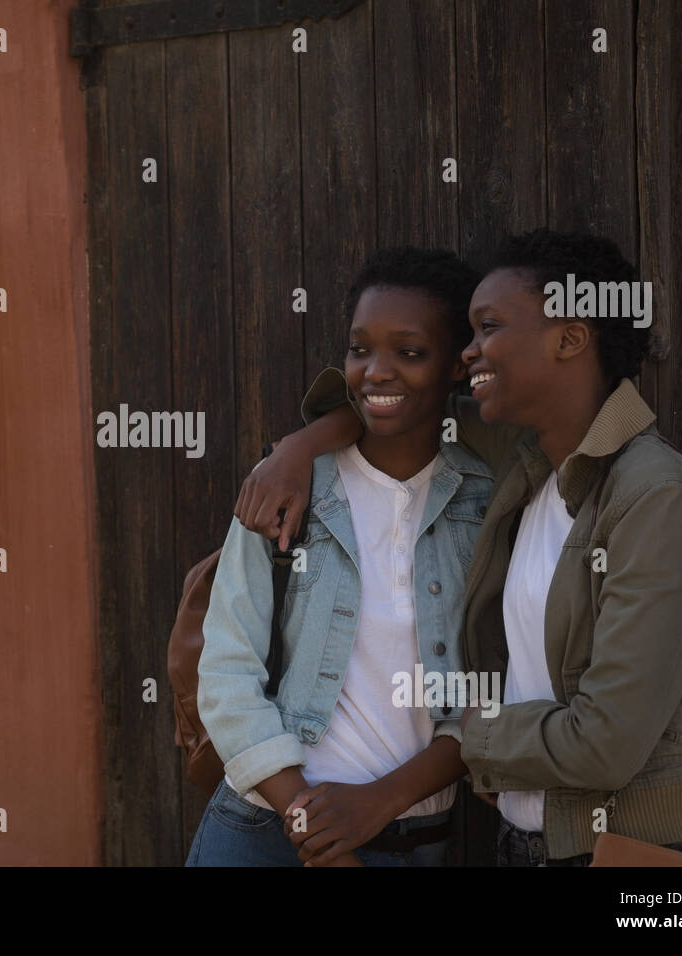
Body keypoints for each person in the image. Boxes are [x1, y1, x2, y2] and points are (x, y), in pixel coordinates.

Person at [244, 229, 682, 864]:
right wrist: (298, 449)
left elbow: (608, 741)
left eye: (489, 328)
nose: (470, 352)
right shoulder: (526, 465)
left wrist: (472, 739)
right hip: (524, 844)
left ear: (570, 337)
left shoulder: (655, 495)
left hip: (629, 853)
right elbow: (394, 407)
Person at [186, 248, 492, 867]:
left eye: (409, 352)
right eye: (360, 349)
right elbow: (226, 672)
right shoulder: (292, 488)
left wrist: (377, 803)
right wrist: (310, 822)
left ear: (456, 367)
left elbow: (495, 699)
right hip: (262, 834)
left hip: (410, 842)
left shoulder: (486, 504)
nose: (376, 372)